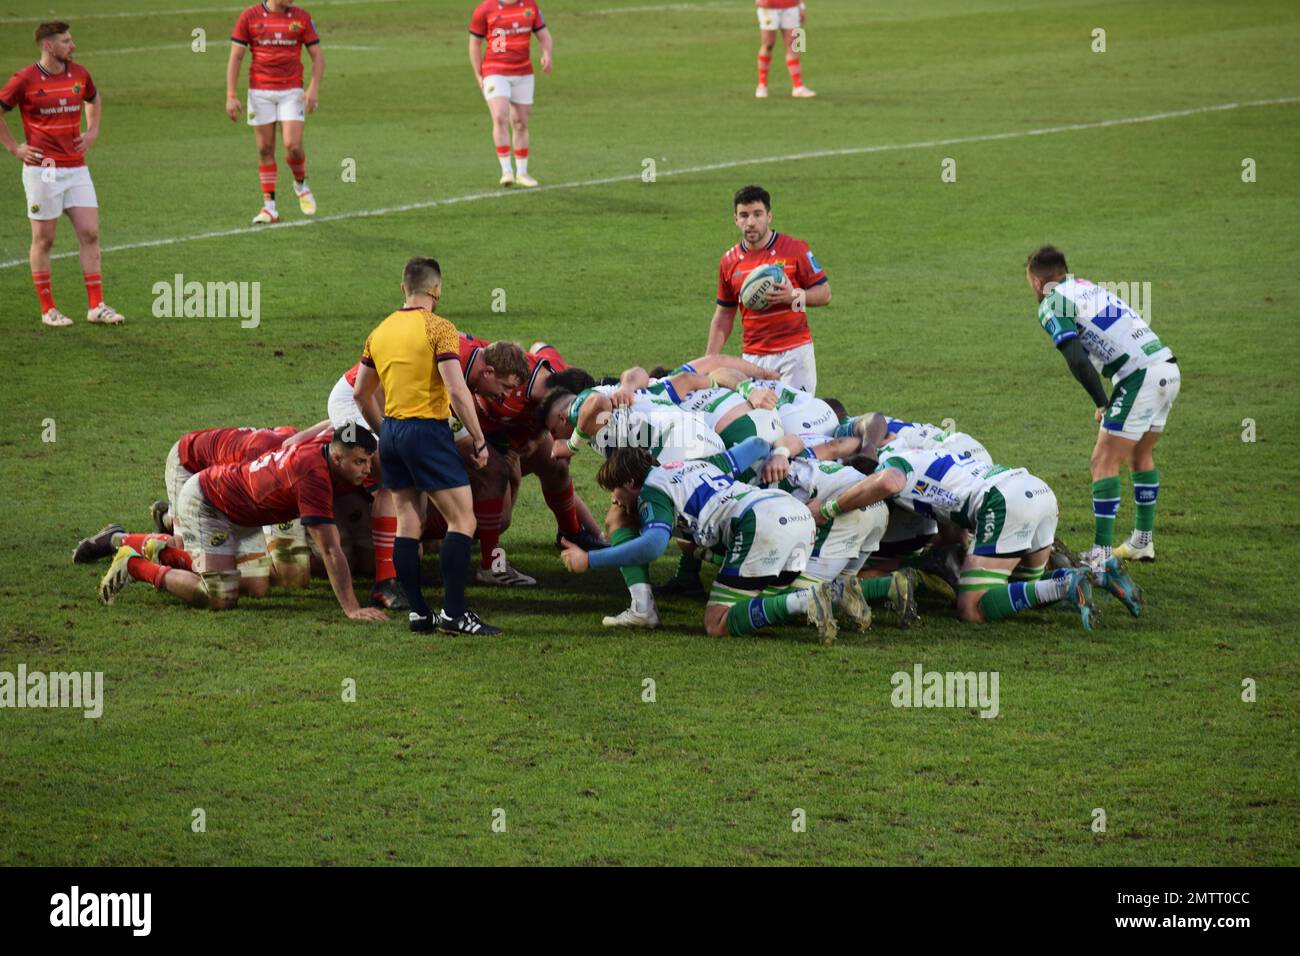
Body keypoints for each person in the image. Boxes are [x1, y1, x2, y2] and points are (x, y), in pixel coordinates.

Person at [352, 256, 501, 635]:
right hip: (427, 432)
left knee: (408, 521)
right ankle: (453, 613)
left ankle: (419, 612)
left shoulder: (379, 331)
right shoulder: (439, 328)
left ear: (403, 289)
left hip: (393, 434)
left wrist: (383, 429)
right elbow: (455, 387)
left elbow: (359, 393)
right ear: (437, 290)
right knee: (462, 519)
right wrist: (479, 438)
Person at [561, 441, 837, 642]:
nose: (613, 498)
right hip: (797, 516)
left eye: (614, 489)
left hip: (760, 524)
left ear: (632, 482)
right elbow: (757, 444)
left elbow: (653, 545)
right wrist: (777, 454)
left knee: (716, 623)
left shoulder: (651, 491)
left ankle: (808, 600)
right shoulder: (694, 464)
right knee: (755, 607)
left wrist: (590, 559)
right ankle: (834, 594)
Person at [97, 427, 385, 621]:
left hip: (242, 511)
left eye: (368, 461)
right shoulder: (312, 477)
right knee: (218, 596)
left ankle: (149, 546)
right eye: (359, 462)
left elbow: (331, 425)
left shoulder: (326, 446)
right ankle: (134, 565)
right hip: (209, 504)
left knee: (257, 585)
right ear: (337, 457)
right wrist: (352, 609)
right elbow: (331, 550)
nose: (367, 469)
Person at [1026, 245, 1180, 567]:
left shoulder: (1051, 303)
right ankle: (1142, 542)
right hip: (1166, 367)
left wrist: (1102, 402)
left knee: (1102, 462)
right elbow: (1115, 331)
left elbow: (1076, 358)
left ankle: (1101, 554)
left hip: (1141, 378)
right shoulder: (1085, 287)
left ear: (1038, 283)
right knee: (1140, 455)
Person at [0, 21, 124, 327]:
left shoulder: (79, 74)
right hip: (43, 172)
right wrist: (14, 147)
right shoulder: (24, 80)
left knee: (90, 232)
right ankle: (48, 309)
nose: (73, 45)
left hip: (76, 167)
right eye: (66, 41)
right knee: (44, 239)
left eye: (71, 40)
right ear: (48, 46)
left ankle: (96, 306)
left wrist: (92, 131)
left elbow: (93, 99)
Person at [707, 186, 830, 393]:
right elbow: (724, 314)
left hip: (793, 354)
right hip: (752, 358)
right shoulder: (729, 262)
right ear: (735, 219)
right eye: (744, 215)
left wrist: (793, 296)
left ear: (769, 216)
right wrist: (709, 359)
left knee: (794, 422)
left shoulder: (795, 249)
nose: (751, 222)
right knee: (761, 421)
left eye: (757, 214)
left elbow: (825, 294)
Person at [226, 0, 323, 223]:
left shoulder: (302, 17)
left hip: (291, 91)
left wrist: (313, 88)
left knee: (293, 145)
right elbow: (236, 57)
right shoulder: (249, 16)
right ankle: (270, 208)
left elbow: (317, 55)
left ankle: (300, 183)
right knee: (265, 147)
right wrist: (231, 95)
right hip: (260, 92)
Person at [468, 0, 552, 188]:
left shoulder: (530, 6)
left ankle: (522, 172)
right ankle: (507, 171)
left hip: (523, 73)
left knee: (520, 123)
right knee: (499, 116)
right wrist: (478, 74)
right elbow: (474, 43)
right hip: (495, 71)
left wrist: (547, 54)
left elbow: (544, 35)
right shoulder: (485, 9)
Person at [754, 1, 815, 98]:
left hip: (791, 6)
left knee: (794, 45)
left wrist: (801, 6)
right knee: (768, 44)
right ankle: (762, 85)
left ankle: (798, 86)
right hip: (768, 7)